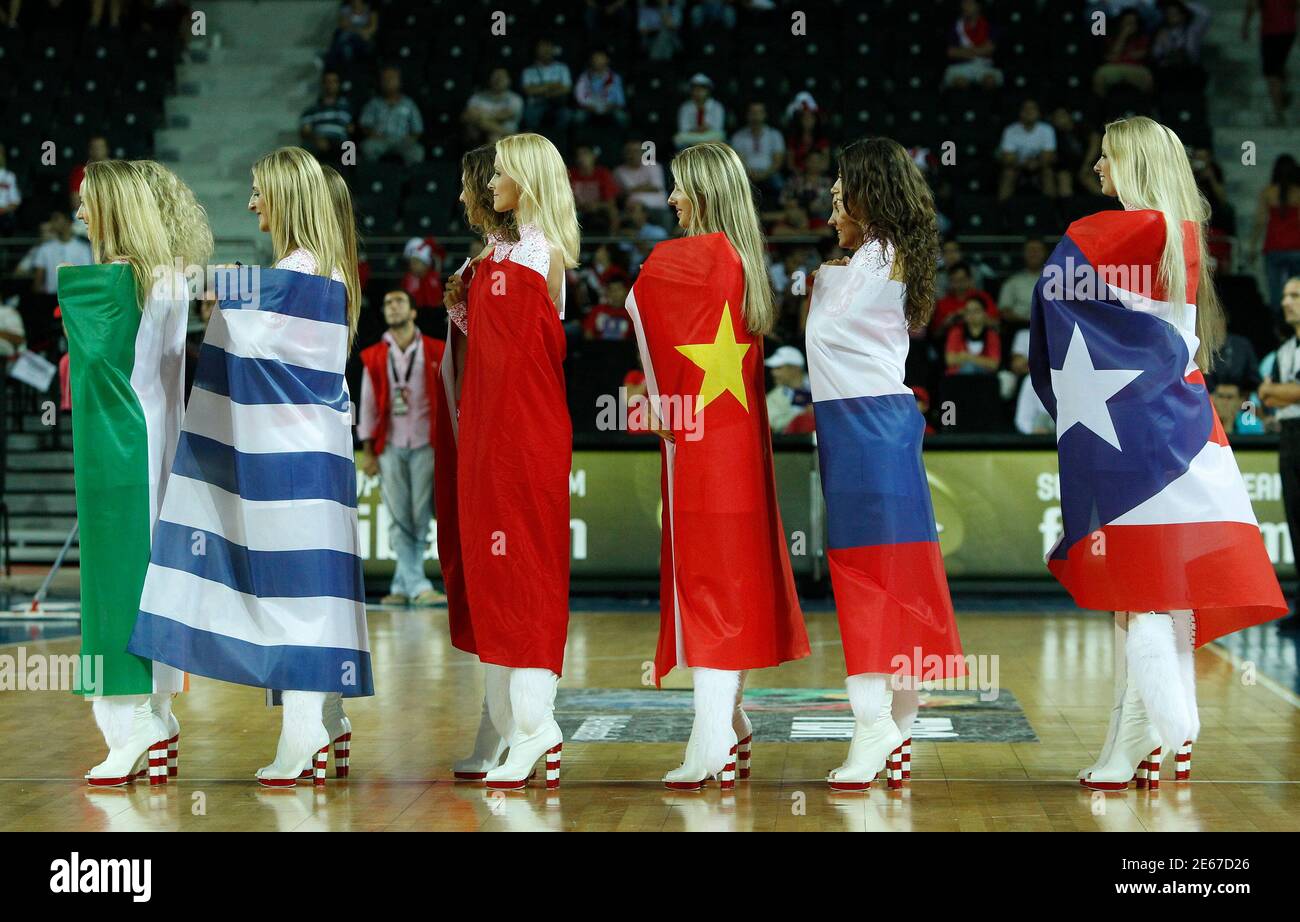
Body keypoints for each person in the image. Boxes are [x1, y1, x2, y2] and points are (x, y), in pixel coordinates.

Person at [1028, 116, 1287, 790]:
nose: (1097, 171)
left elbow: (1055, 282)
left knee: (1139, 594)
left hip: (1136, 445)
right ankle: (1154, 737)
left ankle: (1148, 736)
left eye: (1107, 158)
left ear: (1134, 162)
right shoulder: (1183, 235)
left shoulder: (1117, 233)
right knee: (1160, 594)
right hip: (1188, 431)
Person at [129, 147, 372, 787]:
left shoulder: (299, 275)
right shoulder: (323, 269)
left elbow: (227, 296)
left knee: (292, 591)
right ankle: (329, 721)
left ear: (288, 198)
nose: (251, 203)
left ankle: (304, 735)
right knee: (314, 587)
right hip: (312, 451)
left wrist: (182, 272)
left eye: (261, 191)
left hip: (288, 455)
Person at [626, 141, 810, 790]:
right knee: (728, 584)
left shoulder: (688, 256)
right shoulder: (740, 257)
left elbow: (637, 301)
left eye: (678, 187)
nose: (670, 198)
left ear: (702, 192)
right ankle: (729, 726)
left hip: (699, 447)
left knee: (706, 588)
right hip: (737, 447)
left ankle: (711, 745)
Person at [807, 137, 964, 791]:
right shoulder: (871, 259)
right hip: (865, 431)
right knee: (888, 579)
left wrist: (822, 279)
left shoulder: (879, 261)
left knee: (869, 581)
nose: (832, 199)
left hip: (867, 432)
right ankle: (897, 728)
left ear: (870, 191)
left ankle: (873, 725)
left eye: (843, 188)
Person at [60, 160, 204, 785]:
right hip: (163, 444)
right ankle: (161, 717)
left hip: (119, 451)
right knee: (155, 584)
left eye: (90, 204)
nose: (82, 215)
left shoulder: (110, 282)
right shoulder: (171, 277)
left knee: (113, 588)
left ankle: (127, 727)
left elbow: (91, 372)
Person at [442, 134, 578, 791]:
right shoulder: (491, 257)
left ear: (527, 179)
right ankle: (512, 730)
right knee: (491, 576)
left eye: (499, 174)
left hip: (527, 436)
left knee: (524, 573)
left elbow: (527, 352)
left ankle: (535, 729)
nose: (490, 183)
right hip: (487, 437)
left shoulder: (543, 255)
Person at [358, 289, 445, 607]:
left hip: (426, 444)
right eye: (387, 303)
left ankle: (402, 583)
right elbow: (367, 405)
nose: (392, 307)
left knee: (418, 515)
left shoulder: (435, 350)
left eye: (399, 302)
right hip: (390, 444)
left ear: (413, 312)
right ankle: (417, 585)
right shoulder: (375, 356)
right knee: (397, 516)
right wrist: (368, 451)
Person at [1256, 276, 1300, 632]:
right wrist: (1281, 392)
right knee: (1295, 520)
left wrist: (1278, 392)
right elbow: (1265, 396)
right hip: (1288, 437)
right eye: (1285, 295)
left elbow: (1277, 393)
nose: (1287, 302)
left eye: (1295, 296)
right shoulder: (1284, 351)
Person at [1250, 154, 1300, 309]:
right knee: (1296, 292)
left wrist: (1252, 246)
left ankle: (1277, 327)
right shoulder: (1298, 193)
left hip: (1274, 247)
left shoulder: (1268, 192)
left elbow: (1260, 222)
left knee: (1275, 292)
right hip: (1296, 247)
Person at [1244, 0, 1298, 125]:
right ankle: (1282, 86)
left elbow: (1251, 5)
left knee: (1272, 74)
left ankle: (1278, 112)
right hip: (1288, 30)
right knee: (1277, 66)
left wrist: (1245, 25)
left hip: (1271, 32)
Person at [360, 66, 425, 165]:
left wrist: (410, 139)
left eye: (392, 78)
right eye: (385, 79)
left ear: (399, 81)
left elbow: (418, 129)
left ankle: (409, 179)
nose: (388, 82)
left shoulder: (408, 103)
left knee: (417, 152)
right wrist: (373, 135)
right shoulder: (374, 103)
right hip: (380, 140)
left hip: (402, 140)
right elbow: (365, 125)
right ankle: (374, 178)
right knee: (367, 148)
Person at [18, 211, 92, 295]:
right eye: (52, 220)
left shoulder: (83, 248)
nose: (52, 223)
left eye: (56, 219)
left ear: (68, 221)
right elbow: (38, 280)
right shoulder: (44, 248)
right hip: (51, 298)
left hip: (76, 297)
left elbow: (88, 275)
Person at [997, 98, 1057, 202]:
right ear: (1020, 112)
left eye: (1032, 109)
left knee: (1048, 173)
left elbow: (1048, 156)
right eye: (1026, 109)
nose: (1029, 112)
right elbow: (1008, 158)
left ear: (1038, 112)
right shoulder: (1010, 130)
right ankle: (1001, 213)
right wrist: (1024, 164)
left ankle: (1051, 211)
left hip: (1040, 167)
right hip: (1017, 167)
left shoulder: (1047, 130)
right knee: (1008, 174)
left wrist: (1036, 163)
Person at [730, 101, 785, 203]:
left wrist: (764, 174)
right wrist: (749, 173)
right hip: (746, 174)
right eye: (753, 112)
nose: (756, 116)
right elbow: (738, 161)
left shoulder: (775, 135)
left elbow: (778, 161)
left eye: (759, 112)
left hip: (770, 173)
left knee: (779, 184)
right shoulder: (738, 136)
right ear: (747, 115)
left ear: (765, 115)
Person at [942, 0, 1002, 89]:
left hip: (984, 66)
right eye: (964, 4)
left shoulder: (989, 26)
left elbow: (989, 50)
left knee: (990, 81)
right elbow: (951, 52)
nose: (965, 7)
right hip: (960, 67)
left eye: (969, 4)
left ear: (978, 6)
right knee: (960, 83)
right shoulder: (955, 26)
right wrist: (979, 50)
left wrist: (964, 51)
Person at [520, 39, 573, 139]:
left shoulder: (562, 68)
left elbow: (566, 88)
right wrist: (554, 85)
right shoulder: (528, 70)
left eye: (549, 47)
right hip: (536, 105)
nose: (546, 50)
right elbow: (528, 90)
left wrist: (540, 89)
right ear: (536, 50)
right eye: (543, 47)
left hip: (557, 104)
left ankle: (558, 143)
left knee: (566, 115)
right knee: (529, 115)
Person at [300, 71, 354, 162]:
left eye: (334, 82)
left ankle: (348, 176)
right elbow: (305, 131)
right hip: (319, 141)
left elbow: (351, 129)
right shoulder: (311, 110)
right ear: (323, 84)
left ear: (338, 84)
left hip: (340, 142)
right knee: (307, 148)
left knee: (350, 147)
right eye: (327, 82)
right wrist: (316, 139)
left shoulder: (346, 109)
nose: (330, 85)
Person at [462, 68, 524, 145]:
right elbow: (466, 116)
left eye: (501, 77)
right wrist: (484, 121)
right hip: (479, 135)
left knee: (494, 137)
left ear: (509, 80)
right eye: (495, 77)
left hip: (506, 140)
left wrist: (481, 119)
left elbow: (504, 115)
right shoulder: (478, 97)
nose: (498, 80)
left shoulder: (515, 99)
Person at [945, 297, 1002, 375]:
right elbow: (950, 360)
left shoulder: (992, 335)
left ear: (985, 313)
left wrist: (967, 357)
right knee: (968, 368)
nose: (971, 314)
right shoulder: (956, 332)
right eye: (968, 311)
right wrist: (983, 361)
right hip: (958, 377)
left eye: (976, 311)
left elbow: (994, 364)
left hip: (984, 377)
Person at [764, 345, 814, 434]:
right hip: (793, 445)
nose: (773, 373)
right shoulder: (774, 397)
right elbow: (774, 424)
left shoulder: (819, 386)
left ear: (794, 369)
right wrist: (803, 414)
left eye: (778, 368)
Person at [998, 237, 1048, 324]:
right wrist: (1026, 323)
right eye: (1030, 250)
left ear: (1045, 253)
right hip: (1019, 328)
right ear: (1024, 253)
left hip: (1049, 329)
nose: (1034, 253)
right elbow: (1004, 311)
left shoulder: (1056, 282)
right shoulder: (1012, 282)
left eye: (1037, 250)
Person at [673, 74, 726, 149]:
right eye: (695, 89)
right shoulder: (685, 107)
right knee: (678, 138)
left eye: (702, 89)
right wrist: (696, 130)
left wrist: (706, 128)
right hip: (692, 136)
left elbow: (718, 128)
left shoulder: (717, 106)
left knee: (719, 136)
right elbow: (683, 129)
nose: (698, 92)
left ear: (708, 91)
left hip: (709, 136)